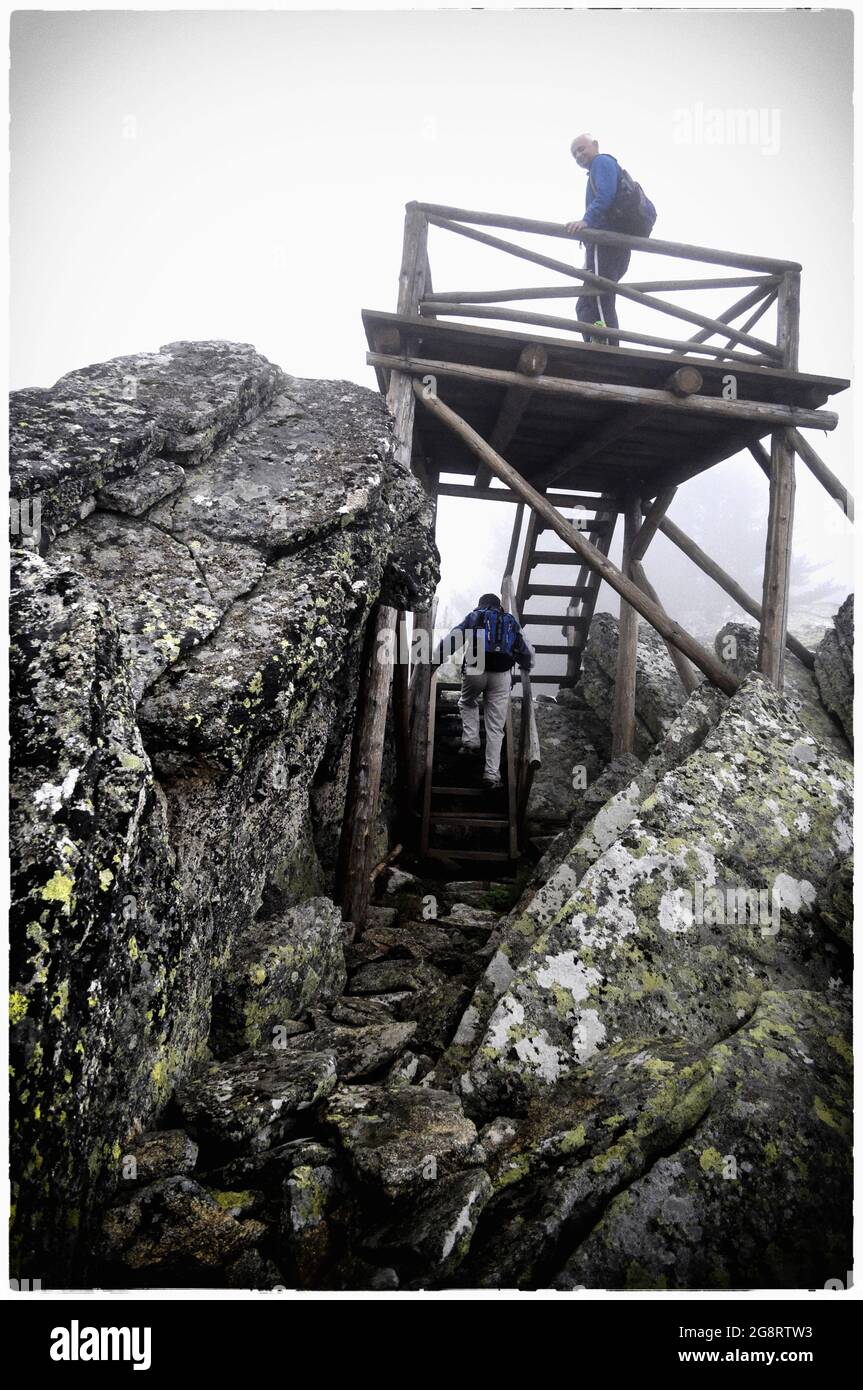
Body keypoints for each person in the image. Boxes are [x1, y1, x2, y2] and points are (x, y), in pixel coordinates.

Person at [431, 593, 535, 789]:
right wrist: (526, 665)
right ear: (499, 607)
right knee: (495, 727)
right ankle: (491, 775)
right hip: (502, 673)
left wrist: (435, 661)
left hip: (476, 666)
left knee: (467, 701)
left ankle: (470, 741)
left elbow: (454, 638)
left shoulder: (475, 616)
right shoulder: (510, 621)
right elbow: (524, 651)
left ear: (481, 605)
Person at [565, 133, 632, 342]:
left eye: (582, 148)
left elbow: (605, 195)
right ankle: (595, 340)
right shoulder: (597, 169)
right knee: (584, 304)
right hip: (607, 244)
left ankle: (609, 346)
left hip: (606, 243)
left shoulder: (602, 162)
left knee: (600, 296)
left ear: (595, 145)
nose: (579, 155)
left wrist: (586, 221)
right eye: (575, 153)